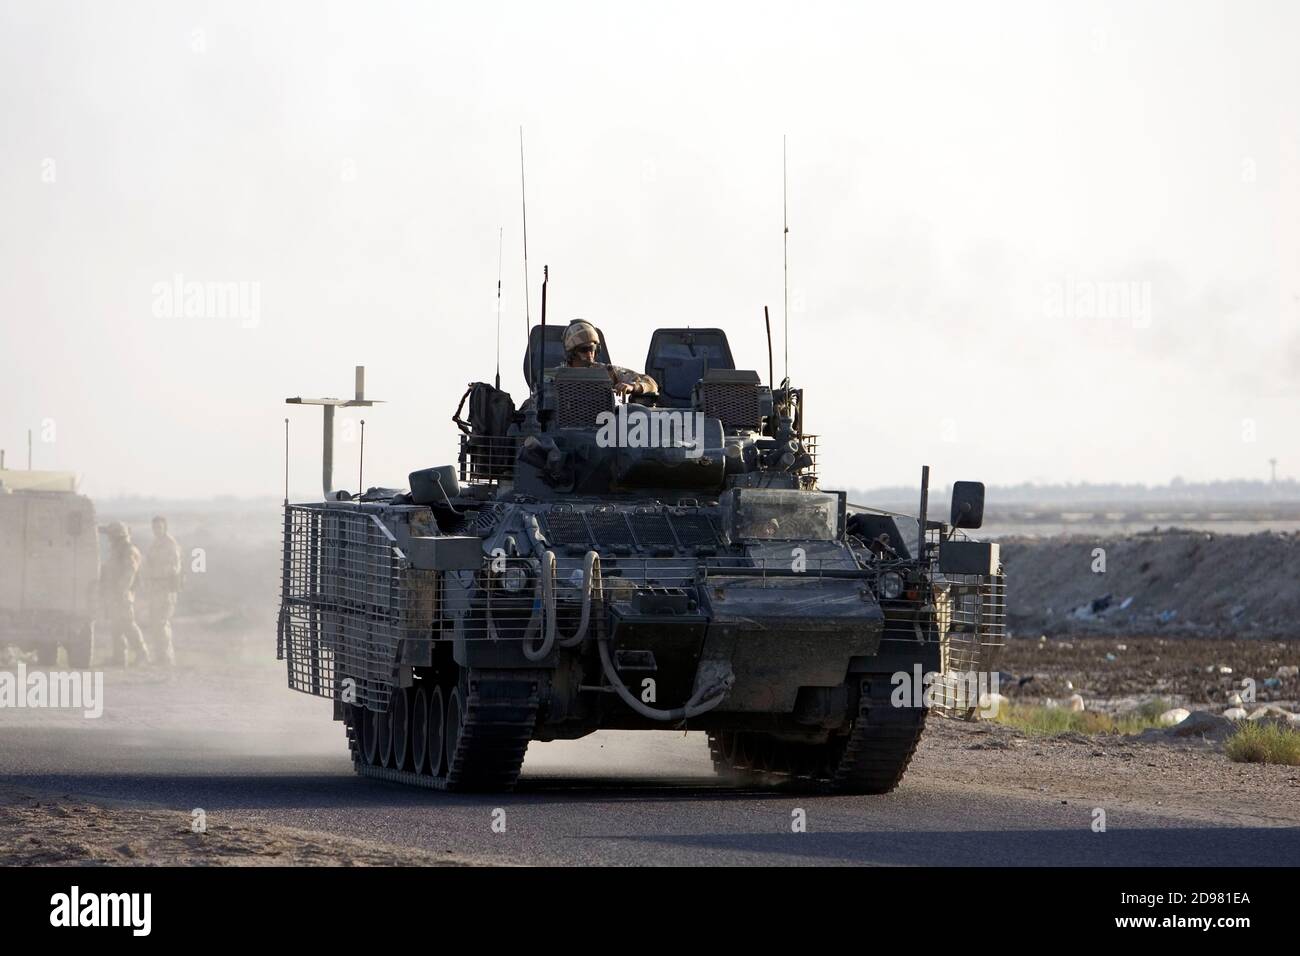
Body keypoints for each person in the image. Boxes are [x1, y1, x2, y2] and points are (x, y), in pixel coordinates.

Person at [560, 320, 658, 397]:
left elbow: (651, 383)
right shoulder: (557, 376)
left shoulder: (608, 372)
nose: (589, 354)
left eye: (592, 348)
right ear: (572, 352)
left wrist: (633, 387)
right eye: (584, 349)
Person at [99, 522, 151, 666]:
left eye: (110, 535)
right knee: (116, 626)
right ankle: (119, 658)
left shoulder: (128, 551)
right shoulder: (118, 550)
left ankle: (142, 654)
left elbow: (130, 572)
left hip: (122, 595)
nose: (108, 538)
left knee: (128, 624)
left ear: (117, 536)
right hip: (115, 594)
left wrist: (121, 590)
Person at [141, 515, 181, 665]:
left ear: (165, 527)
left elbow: (174, 567)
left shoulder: (170, 544)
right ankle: (160, 657)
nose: (156, 530)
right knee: (155, 624)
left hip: (166, 589)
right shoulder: (154, 544)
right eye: (154, 527)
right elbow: (147, 564)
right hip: (155, 589)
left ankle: (166, 658)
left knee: (162, 623)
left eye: (159, 527)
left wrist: (156, 573)